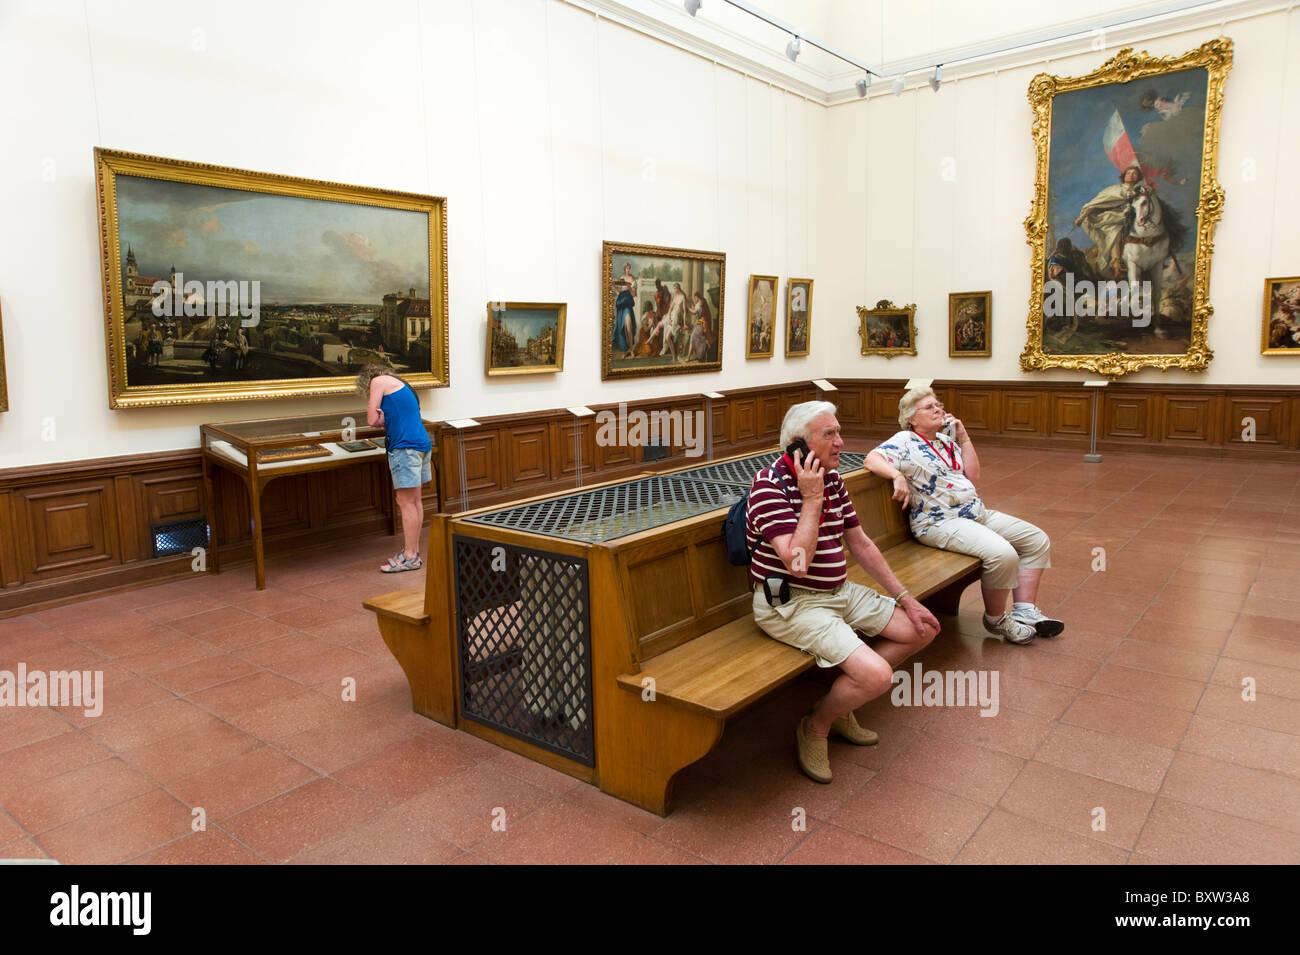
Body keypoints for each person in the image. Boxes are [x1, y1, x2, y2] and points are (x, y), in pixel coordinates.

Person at [747, 401, 940, 784]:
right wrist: (811, 499)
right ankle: (816, 726)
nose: (841, 442)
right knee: (877, 677)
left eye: (839, 431)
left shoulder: (832, 479)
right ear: (800, 446)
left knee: (924, 628)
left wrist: (907, 599)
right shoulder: (768, 486)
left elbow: (862, 546)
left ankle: (841, 701)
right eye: (830, 434)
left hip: (837, 591)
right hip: (791, 603)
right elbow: (797, 564)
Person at [865, 386, 1064, 646]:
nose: (938, 409)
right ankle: (996, 620)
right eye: (929, 407)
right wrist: (896, 475)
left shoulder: (946, 441)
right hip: (939, 522)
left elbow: (973, 475)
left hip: (975, 513)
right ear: (912, 419)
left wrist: (964, 437)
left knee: (1036, 540)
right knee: (1003, 554)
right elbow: (871, 458)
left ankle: (1025, 610)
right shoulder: (904, 440)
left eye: (938, 405)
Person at [358, 363, 431, 573]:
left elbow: (372, 420)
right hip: (421, 444)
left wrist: (380, 418)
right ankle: (413, 553)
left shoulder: (377, 382)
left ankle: (409, 557)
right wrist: (384, 418)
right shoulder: (401, 384)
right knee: (415, 501)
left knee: (405, 501)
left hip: (405, 448)